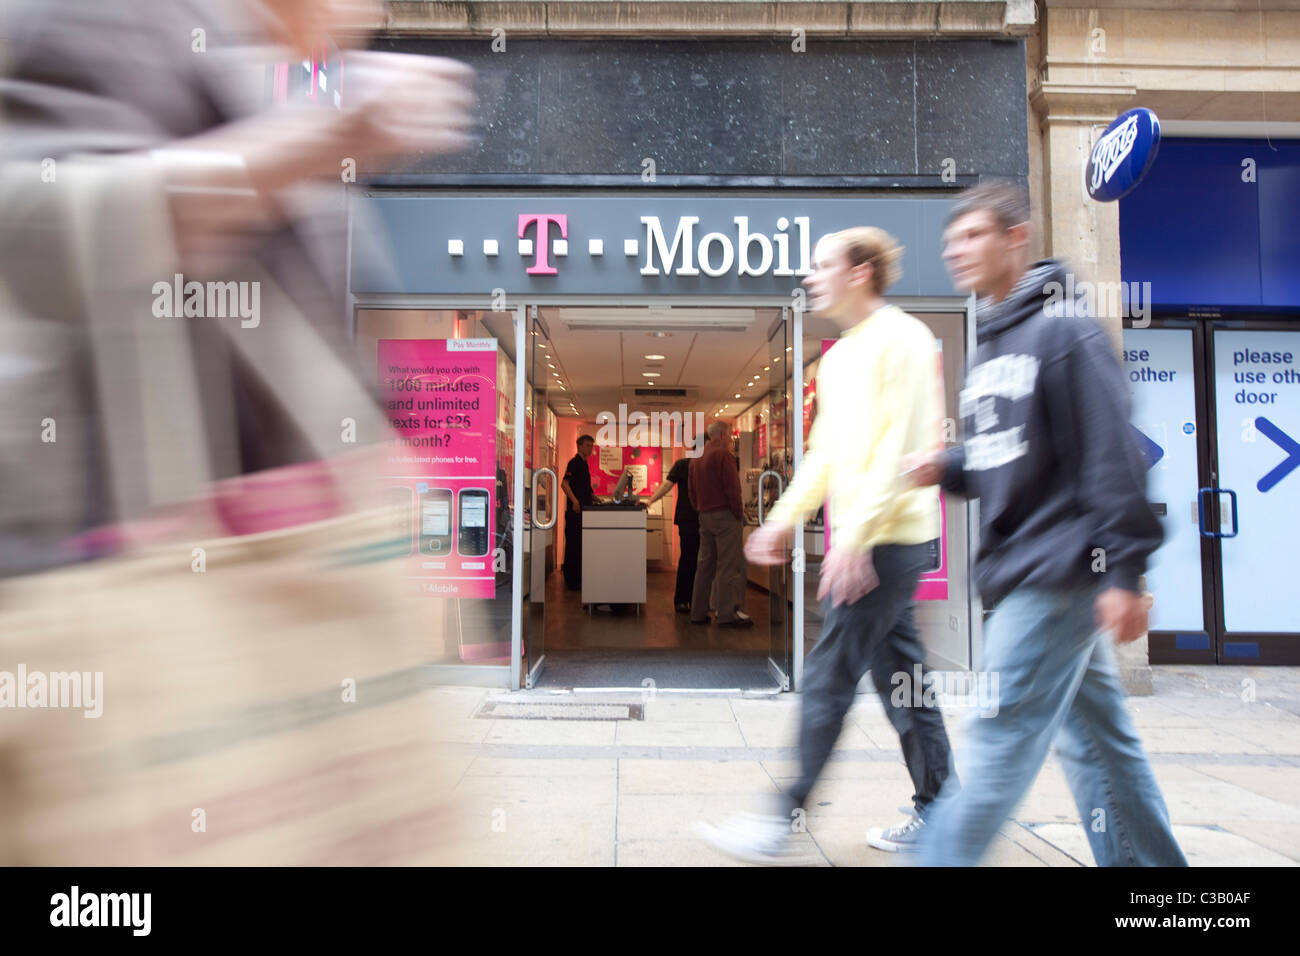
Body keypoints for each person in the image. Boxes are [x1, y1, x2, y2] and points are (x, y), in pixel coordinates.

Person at [904, 180, 1186, 867]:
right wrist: (946, 465)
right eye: (951, 240)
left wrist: (1123, 569)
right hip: (1027, 572)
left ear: (1017, 239)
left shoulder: (1064, 329)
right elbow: (1005, 460)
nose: (957, 251)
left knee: (998, 738)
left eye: (974, 235)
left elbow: (1110, 451)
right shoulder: (989, 344)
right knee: (1100, 744)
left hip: (1055, 572)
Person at [697, 226, 957, 863]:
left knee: (828, 677)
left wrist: (854, 541)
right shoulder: (839, 357)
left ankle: (781, 815)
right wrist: (785, 518)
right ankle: (943, 808)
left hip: (889, 542)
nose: (810, 277)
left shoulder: (903, 340)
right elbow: (826, 455)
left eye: (821, 265)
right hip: (874, 541)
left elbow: (899, 449)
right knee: (906, 681)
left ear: (861, 272)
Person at [687, 422, 752, 628]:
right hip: (725, 516)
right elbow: (733, 488)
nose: (731, 441)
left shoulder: (696, 458)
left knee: (704, 565)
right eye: (730, 438)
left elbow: (691, 491)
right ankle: (725, 614)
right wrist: (738, 514)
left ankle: (697, 612)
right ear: (723, 435)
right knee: (727, 566)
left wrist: (700, 508)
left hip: (704, 515)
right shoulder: (724, 456)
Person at [645, 439, 701, 613]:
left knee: (689, 559)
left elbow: (667, 485)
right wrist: (651, 500)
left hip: (688, 518)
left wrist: (650, 500)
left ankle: (685, 600)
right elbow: (667, 486)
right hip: (699, 518)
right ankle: (692, 600)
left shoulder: (682, 464)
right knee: (696, 561)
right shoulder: (694, 465)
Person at [560, 434, 595, 591]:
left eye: (591, 446)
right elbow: (564, 484)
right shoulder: (574, 463)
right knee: (573, 546)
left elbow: (583, 487)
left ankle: (578, 578)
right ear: (579, 446)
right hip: (575, 513)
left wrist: (594, 497)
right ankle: (572, 581)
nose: (590, 448)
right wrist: (575, 501)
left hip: (583, 512)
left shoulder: (584, 464)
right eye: (587, 445)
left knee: (580, 545)